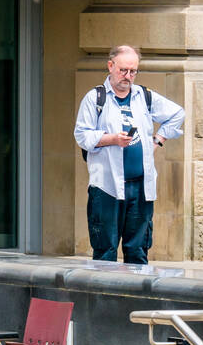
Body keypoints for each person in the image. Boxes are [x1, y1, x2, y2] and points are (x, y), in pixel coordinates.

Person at [73, 44, 184, 263]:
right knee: (105, 250)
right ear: (110, 66)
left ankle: (136, 296)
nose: (128, 76)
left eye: (133, 71)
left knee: (138, 250)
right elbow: (82, 136)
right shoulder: (95, 98)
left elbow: (178, 114)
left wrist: (157, 141)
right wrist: (112, 139)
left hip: (141, 186)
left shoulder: (143, 96)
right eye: (123, 70)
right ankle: (104, 295)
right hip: (107, 186)